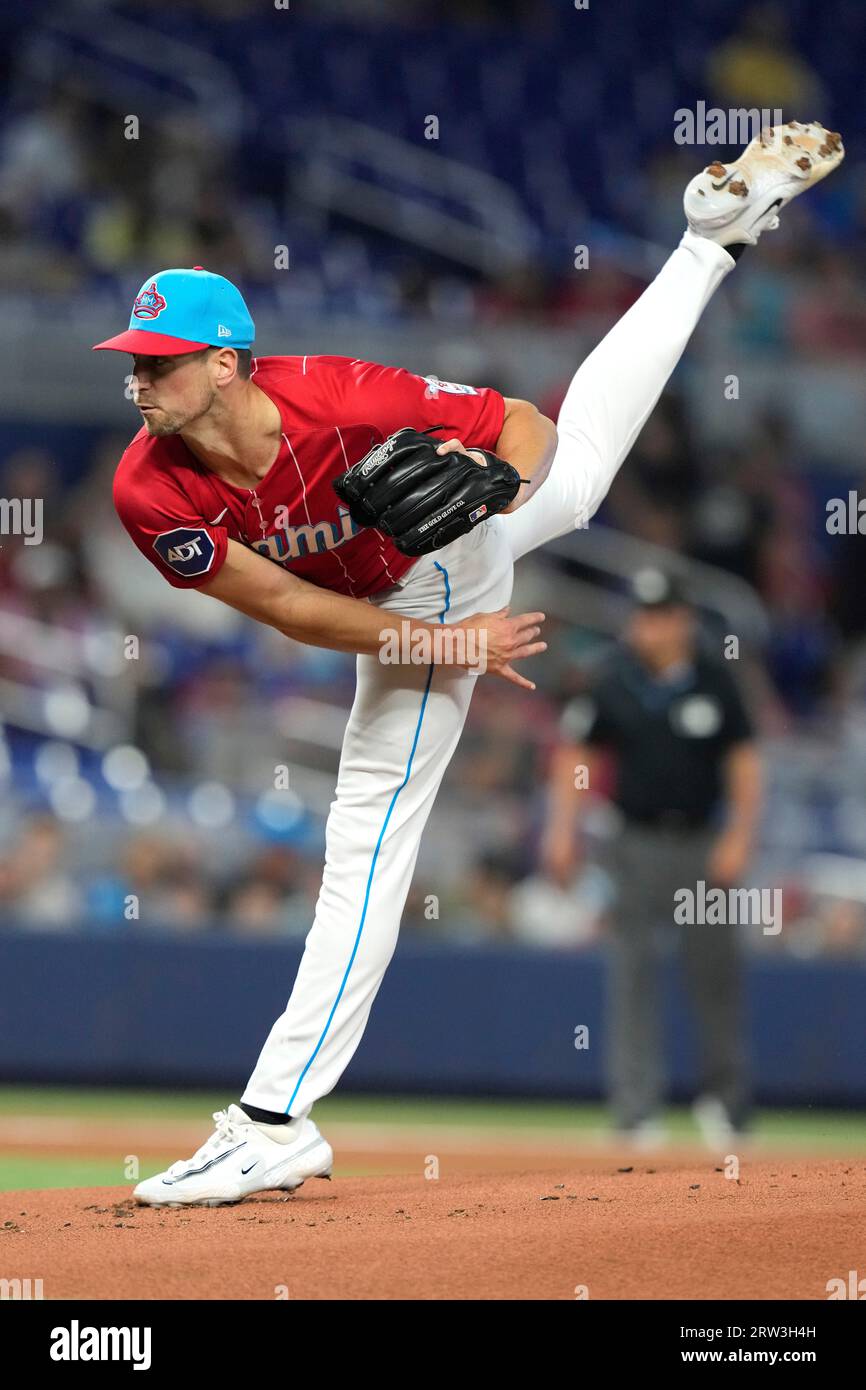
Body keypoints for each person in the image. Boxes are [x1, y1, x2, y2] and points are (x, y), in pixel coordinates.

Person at [92, 121, 841, 1205]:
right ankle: (704, 244)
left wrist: (494, 492)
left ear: (223, 362)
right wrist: (441, 646)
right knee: (582, 484)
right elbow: (285, 606)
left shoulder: (342, 398)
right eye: (134, 362)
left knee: (367, 829)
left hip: (430, 566)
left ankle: (272, 1118)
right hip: (391, 599)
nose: (139, 380)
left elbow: (521, 424)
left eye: (157, 363)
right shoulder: (147, 487)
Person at [542, 568, 761, 1145]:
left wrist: (741, 834)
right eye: (640, 616)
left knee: (714, 975)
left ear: (683, 619)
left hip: (701, 844)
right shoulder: (612, 680)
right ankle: (636, 1110)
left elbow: (743, 763)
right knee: (631, 973)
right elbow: (576, 753)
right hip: (631, 842)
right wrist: (562, 830)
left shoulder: (716, 681)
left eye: (658, 616)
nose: (646, 627)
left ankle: (726, 1105)